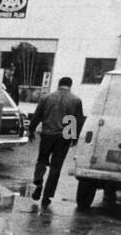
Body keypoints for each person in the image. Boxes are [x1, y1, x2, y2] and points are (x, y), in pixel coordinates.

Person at [28, 76, 85, 207]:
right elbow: (76, 120)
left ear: (59, 85)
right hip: (64, 137)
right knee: (56, 167)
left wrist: (31, 130)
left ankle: (38, 182)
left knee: (42, 161)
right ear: (70, 86)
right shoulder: (75, 100)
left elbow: (38, 115)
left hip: (47, 134)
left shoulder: (46, 98)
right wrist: (74, 138)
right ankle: (47, 196)